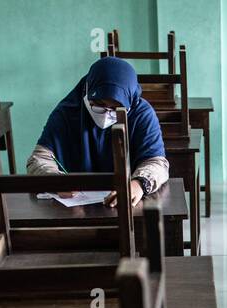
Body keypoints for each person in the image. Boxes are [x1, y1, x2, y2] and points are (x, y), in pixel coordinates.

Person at [27, 57, 168, 208]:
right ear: (87, 92)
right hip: (77, 205)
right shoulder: (68, 112)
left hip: (127, 201)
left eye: (116, 108)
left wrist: (138, 184)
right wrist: (57, 181)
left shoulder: (141, 114)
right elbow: (38, 159)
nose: (106, 114)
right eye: (98, 105)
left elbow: (157, 162)